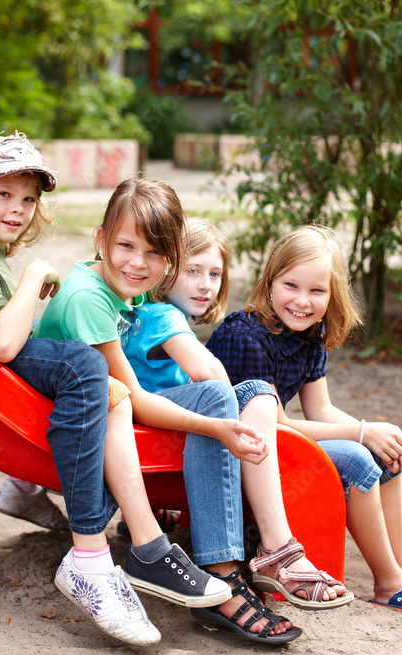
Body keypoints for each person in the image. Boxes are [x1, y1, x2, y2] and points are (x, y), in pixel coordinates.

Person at [0, 134, 234, 646]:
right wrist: (33, 274)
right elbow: (5, 345)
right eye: (3, 195)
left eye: (28, 199)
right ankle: (100, 553)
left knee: (112, 392)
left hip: (71, 402)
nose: (19, 209)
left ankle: (150, 549)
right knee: (87, 369)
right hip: (44, 404)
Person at [33, 178, 302, 645]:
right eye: (125, 245)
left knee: (221, 394)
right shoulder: (88, 298)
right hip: (87, 419)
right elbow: (130, 398)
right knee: (216, 406)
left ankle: (224, 570)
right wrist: (215, 428)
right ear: (101, 239)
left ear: (170, 257)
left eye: (155, 253)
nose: (139, 263)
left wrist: (219, 419)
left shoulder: (118, 286)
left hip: (111, 406)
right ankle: (223, 581)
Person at [206, 225, 402, 616]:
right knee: (360, 458)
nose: (302, 302)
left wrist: (379, 435)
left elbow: (320, 410)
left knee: (381, 454)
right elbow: (274, 424)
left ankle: (400, 573)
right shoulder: (246, 336)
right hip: (244, 456)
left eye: (317, 291)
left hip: (279, 446)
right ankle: (388, 580)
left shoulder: (310, 334)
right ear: (270, 281)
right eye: (291, 285)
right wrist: (363, 433)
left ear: (334, 293)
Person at [123, 218, 353, 610]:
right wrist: (252, 399)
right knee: (253, 394)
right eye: (193, 271)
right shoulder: (163, 317)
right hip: (158, 435)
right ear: (168, 269)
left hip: (163, 427)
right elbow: (212, 377)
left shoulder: (163, 318)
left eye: (215, 274)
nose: (205, 284)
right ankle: (276, 548)